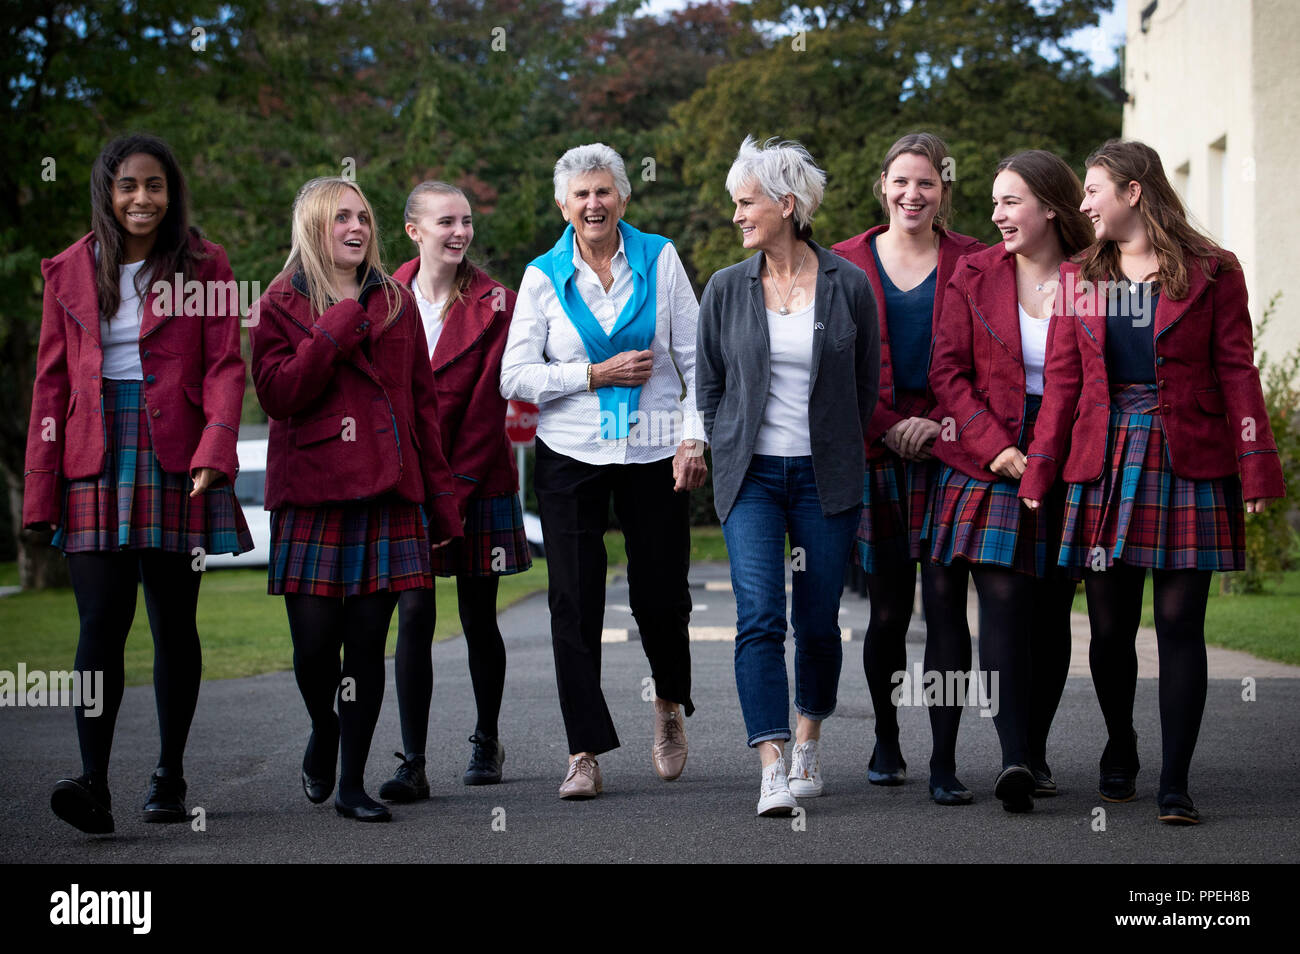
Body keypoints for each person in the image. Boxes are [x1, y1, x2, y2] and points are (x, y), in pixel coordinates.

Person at [1020, 139, 1285, 824]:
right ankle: (1120, 741)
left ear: (1134, 191)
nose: (1083, 205)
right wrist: (1040, 471)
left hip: (1188, 458)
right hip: (1103, 460)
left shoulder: (1213, 270)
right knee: (1109, 629)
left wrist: (1256, 462)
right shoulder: (1080, 278)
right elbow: (1063, 385)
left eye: (1094, 191)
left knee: (1178, 623)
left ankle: (1176, 780)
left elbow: (1237, 370)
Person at [24, 133, 253, 833]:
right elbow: (50, 382)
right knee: (99, 622)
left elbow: (223, 365)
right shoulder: (67, 270)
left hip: (174, 453)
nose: (142, 199)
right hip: (91, 452)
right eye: (128, 186)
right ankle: (92, 781)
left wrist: (217, 445)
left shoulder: (205, 265)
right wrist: (40, 488)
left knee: (172, 622)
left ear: (171, 192)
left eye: (154, 186)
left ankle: (169, 777)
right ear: (108, 191)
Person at [249, 176, 462, 823]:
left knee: (367, 647)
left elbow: (422, 406)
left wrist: (441, 503)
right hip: (311, 494)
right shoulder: (283, 300)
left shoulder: (396, 301)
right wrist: (337, 328)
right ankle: (324, 727)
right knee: (315, 649)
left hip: (388, 493)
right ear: (315, 226)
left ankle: (351, 784)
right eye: (342, 217)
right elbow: (278, 394)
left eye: (364, 216)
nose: (357, 227)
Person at [500, 143, 706, 799]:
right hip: (571, 455)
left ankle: (668, 702)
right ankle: (583, 750)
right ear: (563, 204)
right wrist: (590, 374)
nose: (593, 204)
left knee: (661, 597)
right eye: (580, 194)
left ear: (622, 197)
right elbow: (515, 375)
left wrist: (693, 438)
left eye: (603, 192)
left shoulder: (660, 257)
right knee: (574, 600)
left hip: (652, 451)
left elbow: (697, 361)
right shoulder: (542, 276)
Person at [697, 136, 880, 816]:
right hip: (751, 481)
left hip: (824, 480)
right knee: (759, 618)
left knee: (819, 620)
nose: (738, 215)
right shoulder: (724, 288)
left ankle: (809, 740)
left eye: (746, 203)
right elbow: (709, 386)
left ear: (787, 204)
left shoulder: (847, 284)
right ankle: (771, 762)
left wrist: (833, 447)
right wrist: (725, 447)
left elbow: (865, 387)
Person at [927, 150, 1094, 811]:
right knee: (1000, 594)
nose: (996, 215)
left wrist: (1048, 456)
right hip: (981, 452)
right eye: (994, 202)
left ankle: (1038, 747)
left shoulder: (1092, 279)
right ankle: (1014, 756)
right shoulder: (972, 274)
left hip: (1066, 448)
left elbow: (1085, 378)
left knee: (1052, 607)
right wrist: (995, 447)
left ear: (1051, 207)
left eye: (1011, 201)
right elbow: (947, 373)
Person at [830, 133, 985, 804]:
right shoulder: (842, 264)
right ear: (882, 187)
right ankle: (887, 736)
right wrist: (888, 427)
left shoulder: (977, 262)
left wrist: (946, 428)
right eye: (901, 182)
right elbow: (831, 370)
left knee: (949, 606)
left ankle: (945, 758)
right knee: (889, 613)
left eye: (926, 183)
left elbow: (992, 362)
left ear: (943, 189)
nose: (912, 194)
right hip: (878, 452)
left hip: (955, 455)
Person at [378, 182, 531, 799]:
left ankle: (485, 737)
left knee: (477, 615)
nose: (460, 232)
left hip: (478, 476)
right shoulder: (381, 297)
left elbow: (490, 405)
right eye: (446, 221)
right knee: (413, 613)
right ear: (414, 230)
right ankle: (412, 761)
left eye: (466, 220)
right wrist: (410, 482)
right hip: (408, 482)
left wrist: (455, 490)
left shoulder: (499, 302)